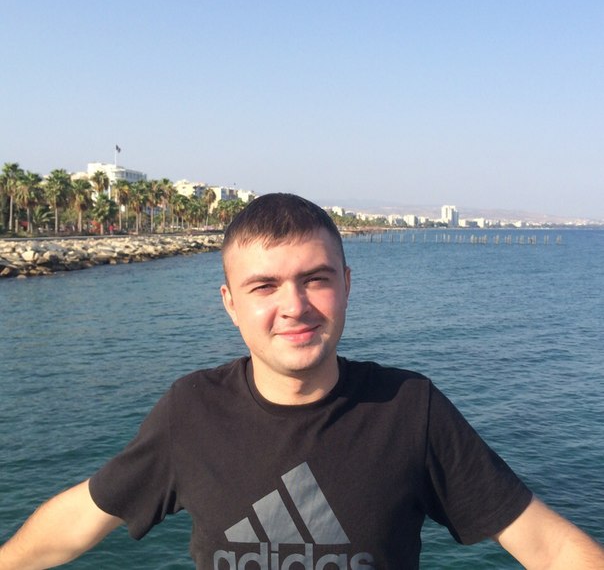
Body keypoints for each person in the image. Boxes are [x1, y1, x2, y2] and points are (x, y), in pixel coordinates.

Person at [1, 193, 603, 569]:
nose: (294, 306)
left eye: (316, 279)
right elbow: (81, 518)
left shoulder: (409, 408)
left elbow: (549, 547)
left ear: (347, 285)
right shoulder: (191, 411)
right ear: (230, 303)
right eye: (264, 286)